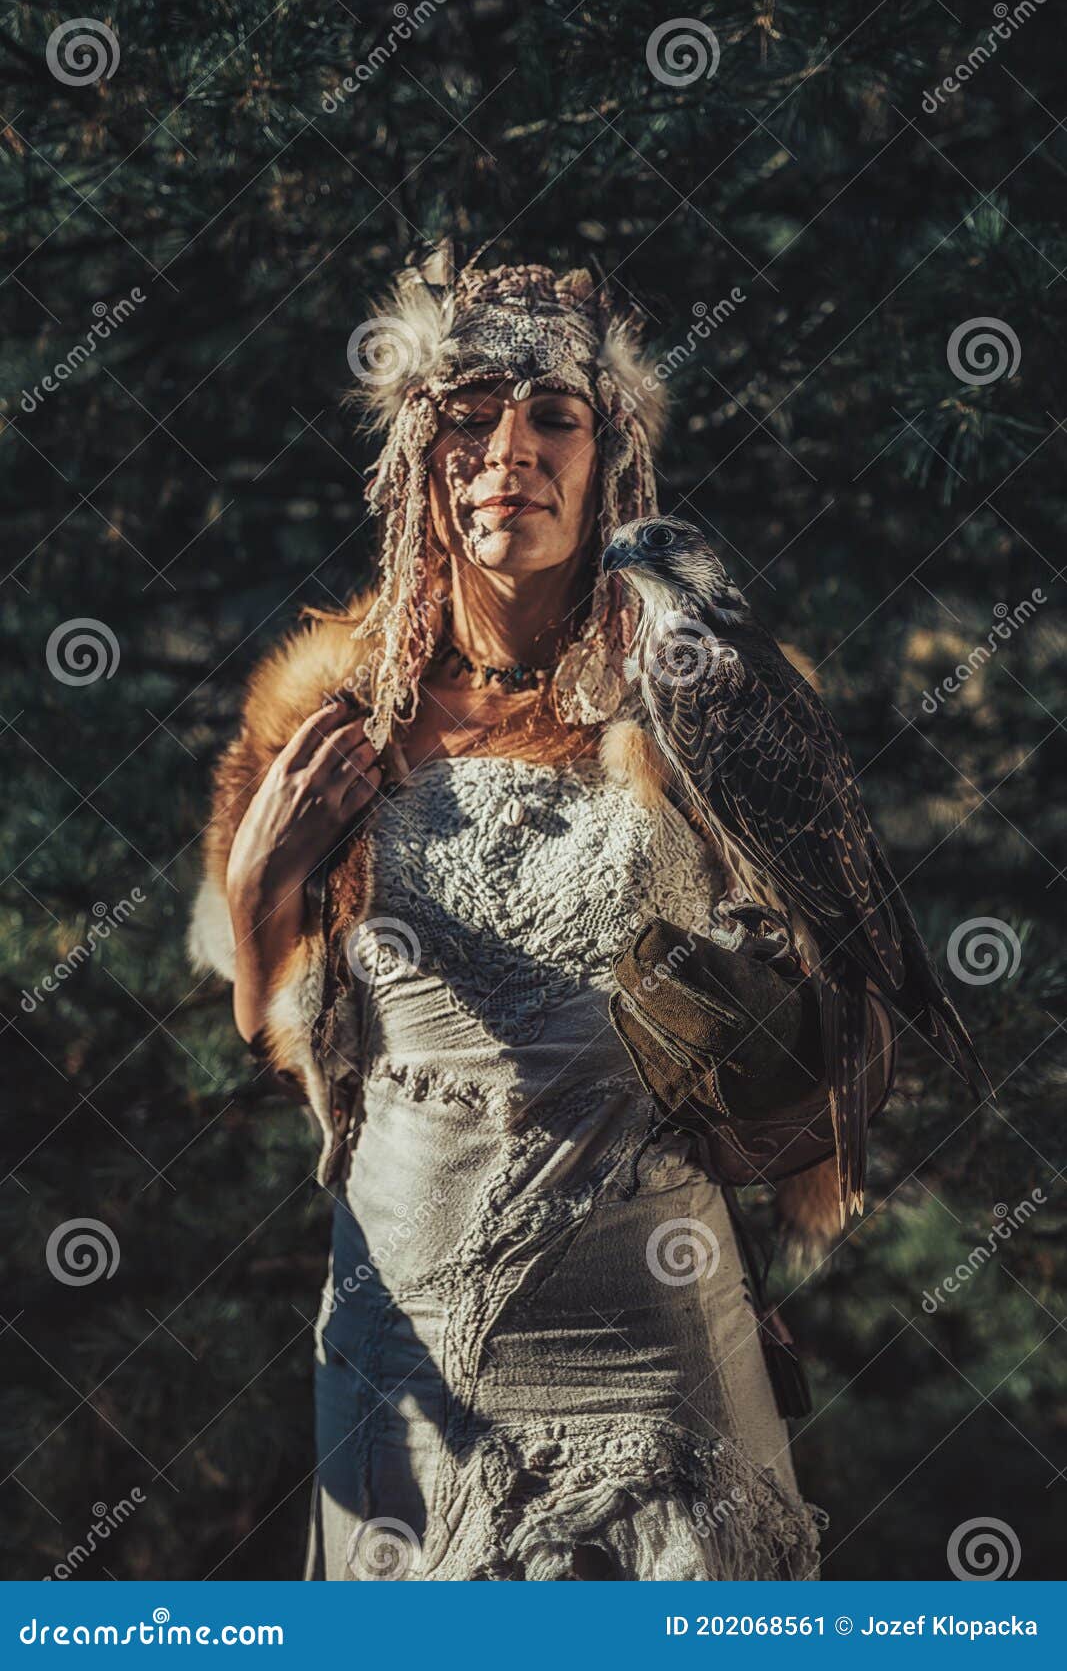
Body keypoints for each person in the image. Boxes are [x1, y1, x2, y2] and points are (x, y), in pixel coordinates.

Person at [188, 245, 882, 1581]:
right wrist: (261, 885)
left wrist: (780, 1028)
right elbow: (268, 1024)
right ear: (424, 458)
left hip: (652, 1325)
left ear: (608, 457)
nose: (511, 446)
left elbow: (830, 1037)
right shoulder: (338, 715)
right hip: (412, 1334)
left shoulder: (700, 702)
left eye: (553, 414)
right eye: (471, 415)